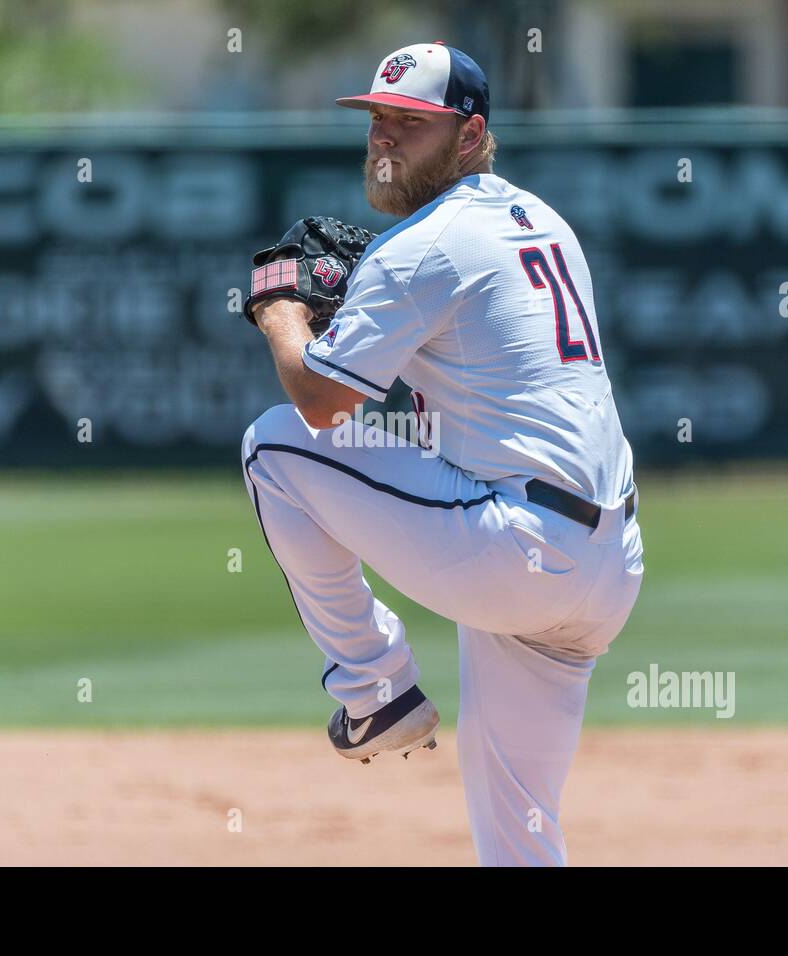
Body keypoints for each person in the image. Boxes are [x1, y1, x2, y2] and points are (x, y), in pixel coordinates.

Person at [241, 42, 643, 866]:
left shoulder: (422, 247)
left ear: (469, 136)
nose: (385, 138)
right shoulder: (543, 222)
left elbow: (319, 404)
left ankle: (373, 688)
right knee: (518, 829)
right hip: (607, 562)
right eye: (379, 120)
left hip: (519, 545)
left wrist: (280, 312)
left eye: (412, 124)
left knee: (273, 448)